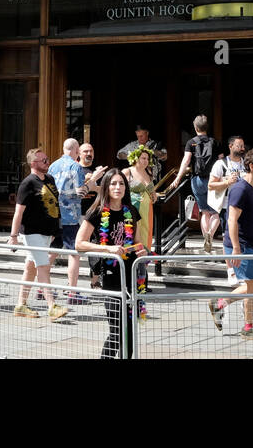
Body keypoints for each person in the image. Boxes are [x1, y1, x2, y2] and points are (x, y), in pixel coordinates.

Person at [75, 168, 144, 359]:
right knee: (117, 330)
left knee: (130, 330)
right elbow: (79, 243)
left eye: (121, 183)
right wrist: (109, 249)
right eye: (113, 183)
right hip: (110, 275)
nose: (118, 187)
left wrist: (142, 249)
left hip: (130, 274)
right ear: (106, 186)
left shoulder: (131, 211)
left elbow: (137, 242)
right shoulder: (96, 212)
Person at [211, 148, 253, 341]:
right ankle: (247, 326)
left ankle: (221, 305)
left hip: (250, 245)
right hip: (241, 246)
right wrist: (236, 248)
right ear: (251, 166)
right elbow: (231, 220)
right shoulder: (240, 189)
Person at [7, 148, 68, 321]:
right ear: (33, 163)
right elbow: (18, 212)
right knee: (43, 266)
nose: (47, 162)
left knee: (31, 267)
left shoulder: (49, 179)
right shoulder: (27, 183)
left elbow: (55, 205)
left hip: (47, 231)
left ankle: (20, 304)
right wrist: (14, 236)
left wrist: (56, 229)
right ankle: (52, 306)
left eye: (47, 159)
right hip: (32, 232)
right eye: (44, 160)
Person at [49, 138, 89, 300]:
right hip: (70, 215)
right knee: (74, 253)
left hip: (54, 214)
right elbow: (80, 192)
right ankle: (72, 291)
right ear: (75, 150)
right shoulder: (76, 166)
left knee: (52, 250)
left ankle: (42, 287)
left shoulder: (53, 166)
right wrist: (91, 183)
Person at [175, 115, 220, 251]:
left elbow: (186, 160)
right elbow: (221, 162)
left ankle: (205, 238)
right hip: (213, 180)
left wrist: (178, 178)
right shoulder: (215, 142)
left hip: (197, 180)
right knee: (215, 213)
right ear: (207, 127)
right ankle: (210, 235)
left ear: (195, 127)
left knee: (205, 212)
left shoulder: (191, 142)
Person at [124, 145, 157, 309]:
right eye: (142, 158)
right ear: (135, 158)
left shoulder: (149, 173)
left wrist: (154, 194)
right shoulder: (127, 172)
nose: (145, 161)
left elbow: (152, 190)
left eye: (147, 158)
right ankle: (133, 280)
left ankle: (143, 280)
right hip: (133, 210)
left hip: (147, 209)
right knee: (134, 241)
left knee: (145, 240)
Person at [207, 136, 246, 232]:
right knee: (228, 235)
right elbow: (211, 185)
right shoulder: (220, 164)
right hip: (227, 205)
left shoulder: (247, 164)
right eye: (239, 146)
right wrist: (227, 182)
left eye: (243, 146)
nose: (242, 149)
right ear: (231, 146)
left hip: (244, 205)